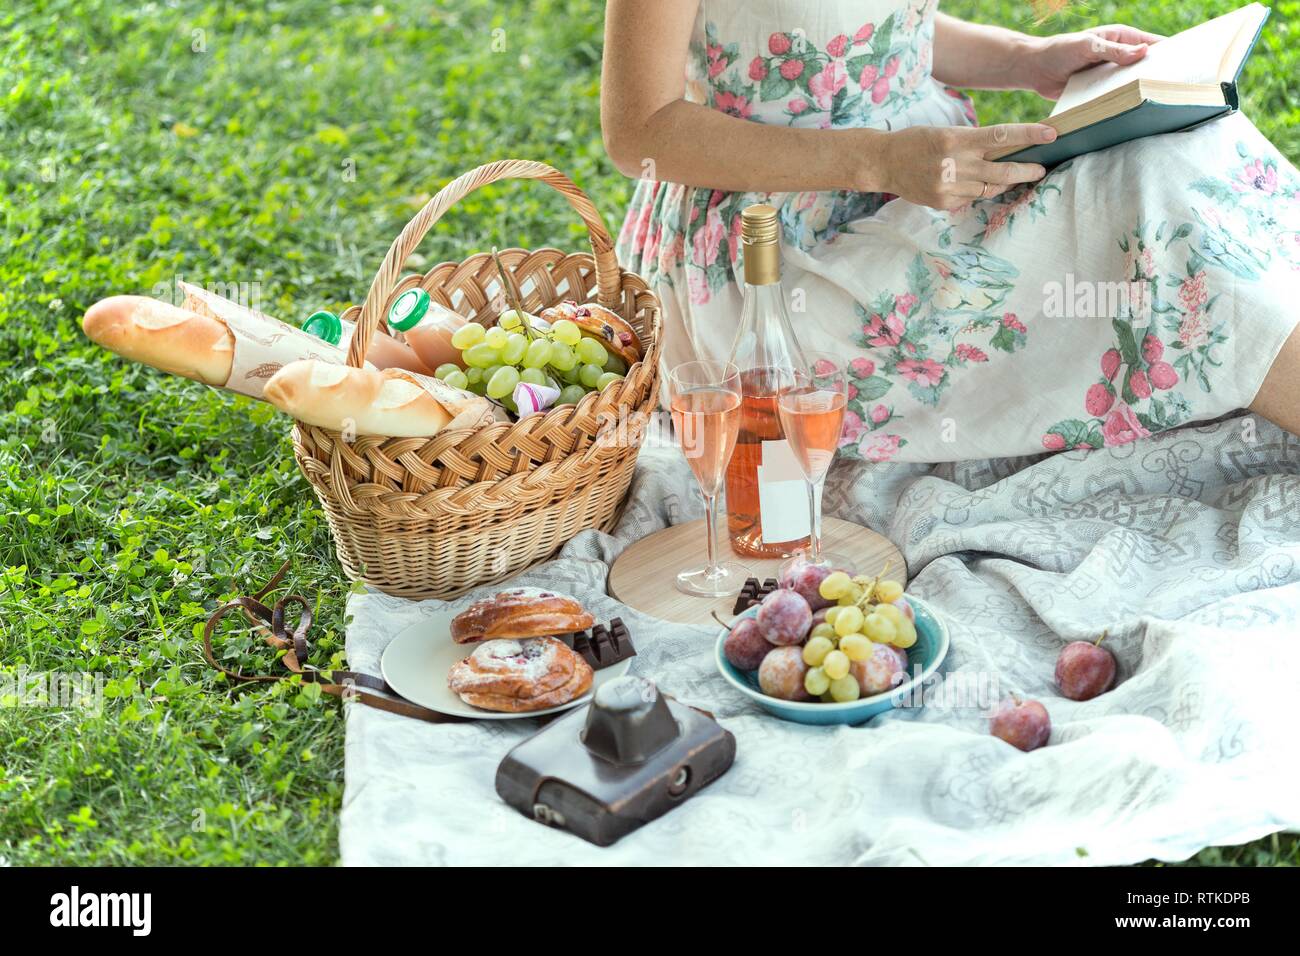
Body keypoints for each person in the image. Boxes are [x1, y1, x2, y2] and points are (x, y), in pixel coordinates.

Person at [602, 0, 1300, 461]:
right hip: (773, 258)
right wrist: (878, 158)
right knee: (1153, 203)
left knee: (1191, 146)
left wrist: (1030, 58)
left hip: (930, 172)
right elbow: (639, 130)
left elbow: (870, 27)